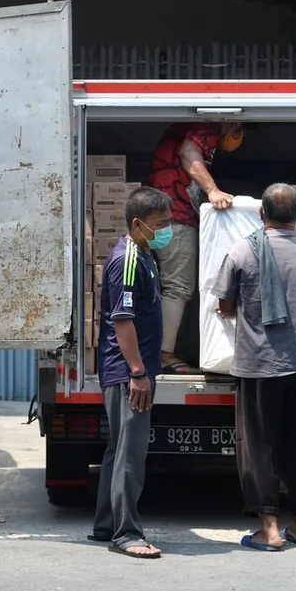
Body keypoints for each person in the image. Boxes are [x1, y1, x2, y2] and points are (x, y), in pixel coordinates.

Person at [211, 183, 296, 551]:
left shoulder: (243, 250)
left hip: (262, 364)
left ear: (261, 214)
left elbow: (226, 305)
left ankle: (270, 529)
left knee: (259, 444)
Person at [91, 186, 172, 559]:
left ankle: (106, 524)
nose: (167, 229)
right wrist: (138, 372)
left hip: (130, 370)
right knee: (130, 452)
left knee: (117, 449)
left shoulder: (145, 253)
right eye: (161, 224)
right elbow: (122, 320)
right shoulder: (127, 260)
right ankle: (126, 533)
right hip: (128, 373)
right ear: (137, 223)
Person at [147, 121, 244, 374]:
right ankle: (163, 355)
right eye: (237, 132)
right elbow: (189, 152)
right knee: (178, 287)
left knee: (176, 287)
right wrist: (213, 191)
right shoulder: (209, 124)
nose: (235, 139)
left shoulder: (188, 130)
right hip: (174, 218)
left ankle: (166, 350)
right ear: (234, 122)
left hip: (170, 215)